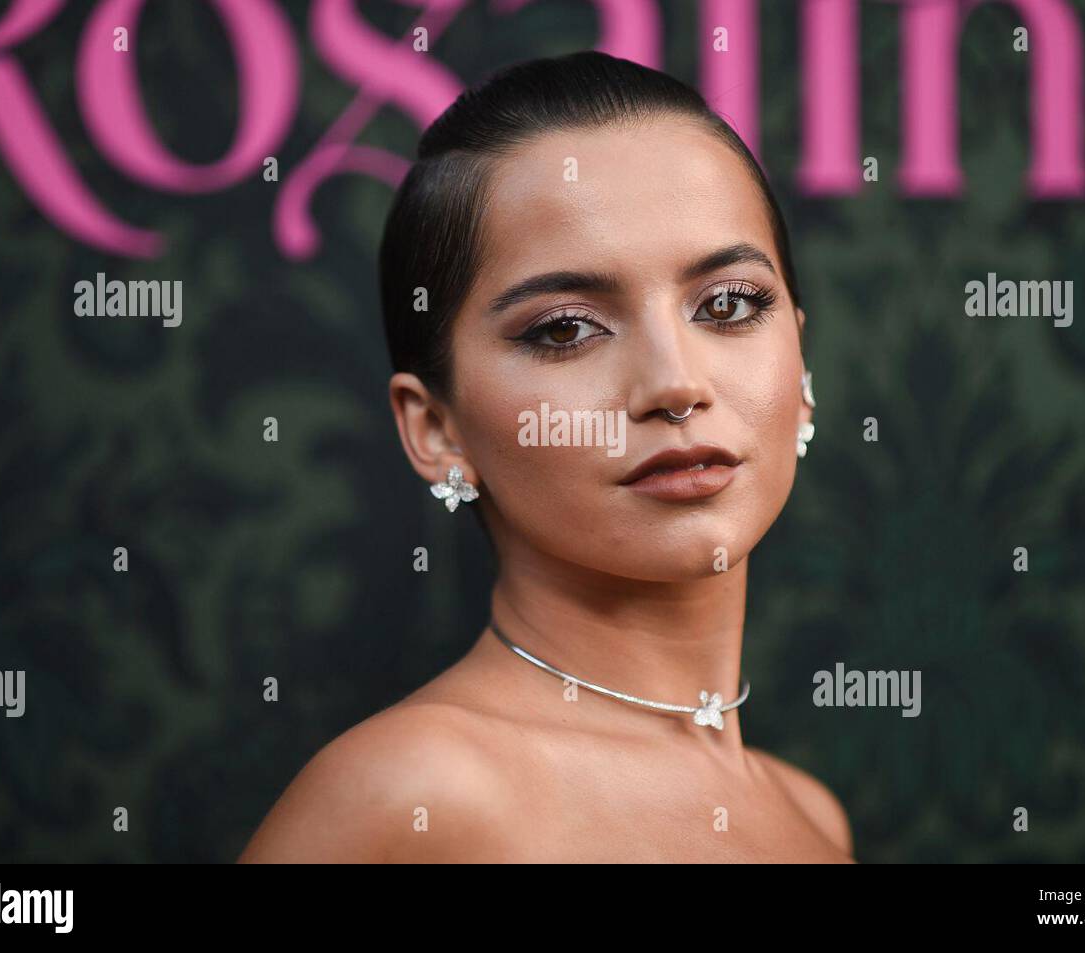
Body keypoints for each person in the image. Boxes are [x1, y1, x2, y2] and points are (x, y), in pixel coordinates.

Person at [240, 49, 852, 863]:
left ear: (801, 372)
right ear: (435, 428)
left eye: (729, 304)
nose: (675, 383)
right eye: (565, 328)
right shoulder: (411, 796)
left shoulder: (810, 814)